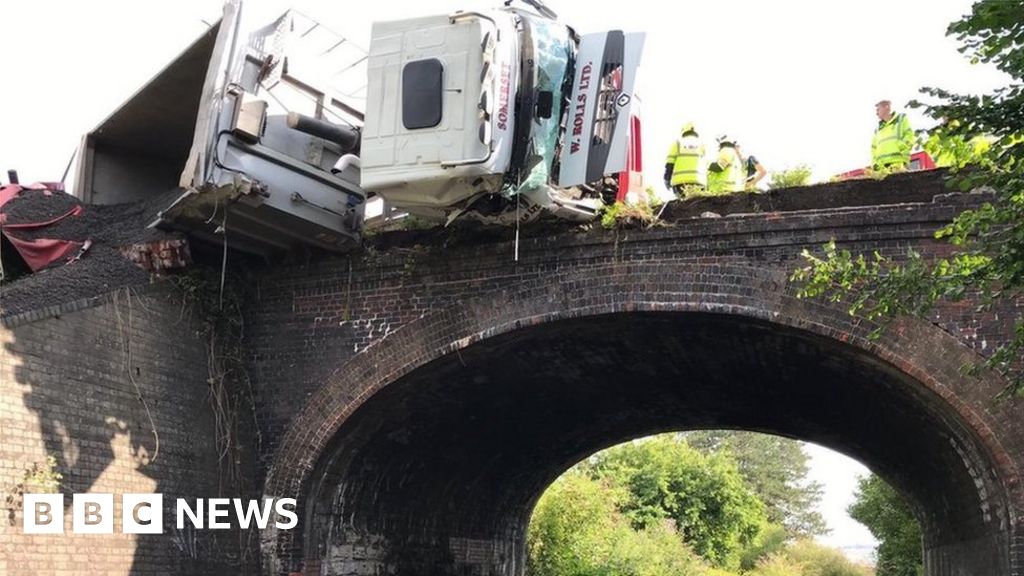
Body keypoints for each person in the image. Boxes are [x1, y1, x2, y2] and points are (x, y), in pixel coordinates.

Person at [664, 123, 706, 197]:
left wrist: (667, 179)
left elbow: (670, 163)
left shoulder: (677, 143)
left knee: (683, 205)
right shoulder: (702, 145)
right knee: (697, 205)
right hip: (699, 182)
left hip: (680, 182)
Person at [871, 99, 914, 171]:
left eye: (878, 109)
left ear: (887, 107)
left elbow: (909, 137)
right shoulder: (878, 129)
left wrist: (902, 150)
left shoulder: (901, 119)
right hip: (882, 168)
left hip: (898, 164)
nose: (876, 113)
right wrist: (875, 164)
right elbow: (873, 148)